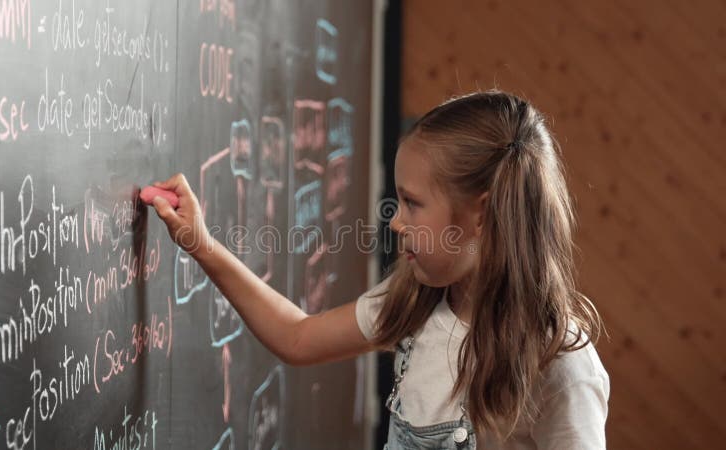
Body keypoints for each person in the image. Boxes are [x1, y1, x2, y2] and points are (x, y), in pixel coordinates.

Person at [146, 90, 610, 449]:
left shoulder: (560, 365)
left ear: (481, 215)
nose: (395, 219)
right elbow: (298, 337)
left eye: (412, 203)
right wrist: (200, 244)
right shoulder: (415, 301)